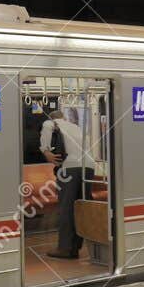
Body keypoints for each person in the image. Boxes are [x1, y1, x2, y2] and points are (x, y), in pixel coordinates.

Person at [40, 106, 91, 259]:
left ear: (52, 118)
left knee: (66, 208)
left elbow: (46, 143)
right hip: (88, 167)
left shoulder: (50, 124)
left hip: (69, 168)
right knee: (81, 207)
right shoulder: (75, 126)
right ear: (64, 117)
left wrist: (46, 152)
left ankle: (65, 248)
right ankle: (76, 246)